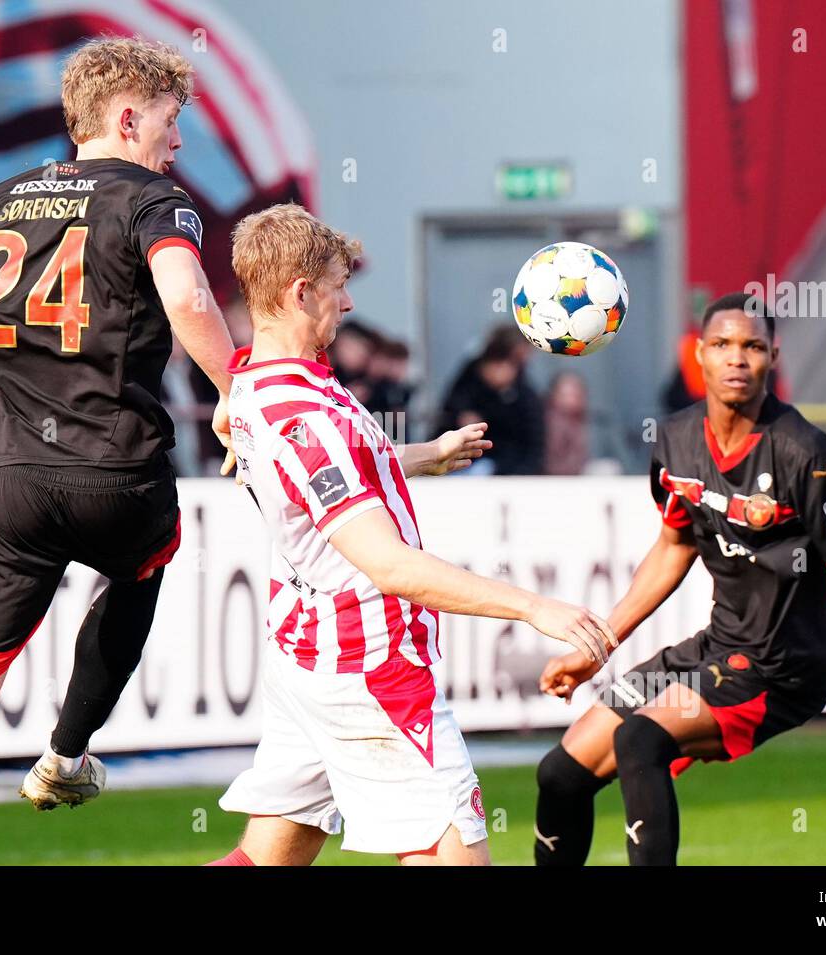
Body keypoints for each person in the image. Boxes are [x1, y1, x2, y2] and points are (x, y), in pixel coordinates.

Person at [0, 36, 236, 865]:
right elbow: (185, 292)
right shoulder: (153, 199)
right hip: (117, 471)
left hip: (7, 486)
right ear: (130, 115)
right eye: (172, 123)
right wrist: (235, 390)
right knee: (145, 565)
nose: (177, 143)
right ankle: (68, 753)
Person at [209, 204, 615, 866]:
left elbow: (325, 478)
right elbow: (391, 566)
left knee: (265, 858)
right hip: (372, 669)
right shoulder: (308, 416)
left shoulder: (254, 381)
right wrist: (534, 605)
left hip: (305, 655)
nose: (346, 303)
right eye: (338, 286)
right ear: (299, 292)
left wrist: (426, 453)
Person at [535, 292, 826, 866]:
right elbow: (674, 545)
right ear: (698, 355)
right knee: (559, 775)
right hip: (717, 648)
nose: (737, 358)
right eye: (723, 345)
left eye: (752, 346)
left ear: (772, 356)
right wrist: (599, 645)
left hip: (785, 667)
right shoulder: (676, 440)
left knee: (640, 738)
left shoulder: (807, 455)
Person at [438, 324, 544, 474]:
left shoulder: (524, 396)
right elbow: (449, 410)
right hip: (461, 461)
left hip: (502, 468)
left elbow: (531, 443)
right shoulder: (470, 381)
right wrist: (461, 417)